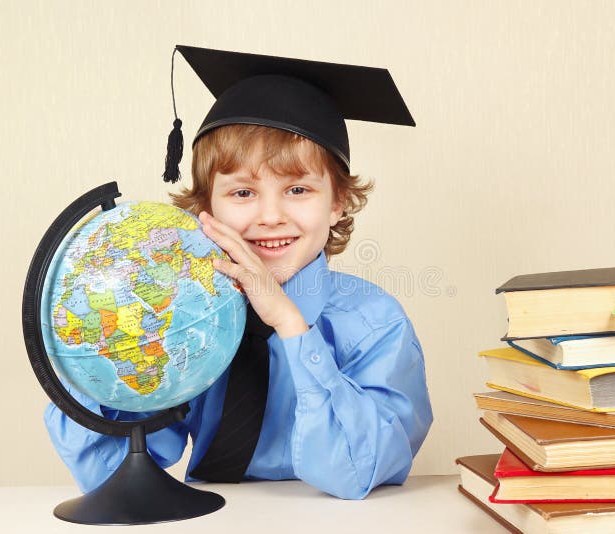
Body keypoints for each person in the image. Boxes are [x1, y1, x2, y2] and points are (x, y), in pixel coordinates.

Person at [44, 45, 433, 500]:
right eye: (243, 193)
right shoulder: (186, 314)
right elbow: (105, 473)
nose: (270, 216)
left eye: (298, 189)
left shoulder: (377, 325)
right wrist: (93, 346)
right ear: (207, 208)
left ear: (337, 203)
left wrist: (290, 325)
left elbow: (354, 472)